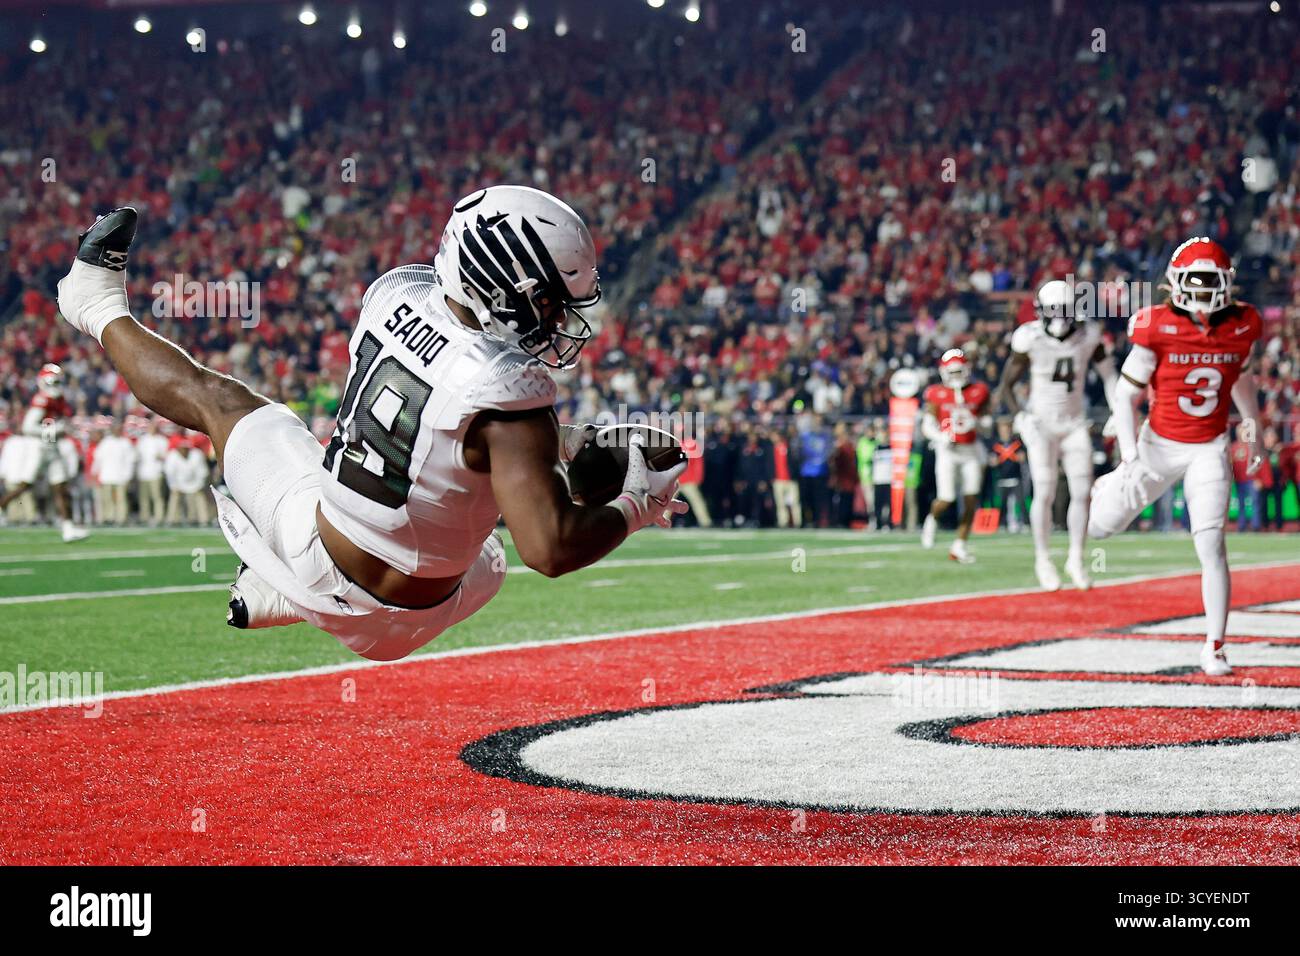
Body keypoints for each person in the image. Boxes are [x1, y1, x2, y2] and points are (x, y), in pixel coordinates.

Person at [54, 190, 686, 662]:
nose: (556, 319)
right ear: (501, 283)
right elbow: (546, 550)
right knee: (493, 540)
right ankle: (290, 597)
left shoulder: (393, 293)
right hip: (432, 606)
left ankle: (95, 305)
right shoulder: (511, 395)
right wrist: (638, 504)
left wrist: (572, 452)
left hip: (321, 547)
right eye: (548, 300)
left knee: (220, 402)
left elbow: (466, 415)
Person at [1089, 237, 1263, 676]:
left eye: (1211, 282)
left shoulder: (1242, 324)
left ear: (1227, 283)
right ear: (1175, 283)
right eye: (1196, 281)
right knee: (1101, 530)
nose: (1203, 291)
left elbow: (1240, 378)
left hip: (1208, 446)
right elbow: (1125, 395)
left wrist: (1253, 427)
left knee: (1211, 542)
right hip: (1157, 446)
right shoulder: (1156, 324)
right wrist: (1128, 455)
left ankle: (1215, 646)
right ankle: (1104, 485)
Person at [995, 279, 1117, 590]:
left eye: (1066, 311)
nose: (1061, 318)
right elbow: (1006, 385)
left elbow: (1109, 376)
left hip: (1074, 422)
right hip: (1042, 423)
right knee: (1045, 489)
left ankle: (1076, 558)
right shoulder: (1030, 338)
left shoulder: (1089, 335)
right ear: (1041, 313)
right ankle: (1043, 558)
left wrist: (1118, 410)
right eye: (1055, 311)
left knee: (1081, 491)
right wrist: (1020, 415)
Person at [0, 365, 89, 541]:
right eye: (54, 381)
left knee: (61, 488)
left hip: (52, 447)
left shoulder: (58, 399)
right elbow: (28, 427)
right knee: (26, 485)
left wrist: (64, 430)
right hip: (38, 446)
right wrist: (55, 430)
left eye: (58, 381)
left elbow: (56, 424)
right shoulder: (42, 399)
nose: (57, 384)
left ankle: (68, 529)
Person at [920, 348, 989, 563]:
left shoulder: (979, 390)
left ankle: (959, 545)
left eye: (960, 372)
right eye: (953, 372)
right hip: (947, 450)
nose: (957, 377)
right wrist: (940, 437)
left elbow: (988, 425)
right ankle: (931, 520)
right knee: (947, 497)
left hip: (970, 449)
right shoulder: (936, 393)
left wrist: (977, 423)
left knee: (970, 498)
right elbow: (927, 425)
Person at [92, 422, 137, 525]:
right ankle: (109, 517)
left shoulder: (126, 443)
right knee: (107, 499)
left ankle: (121, 518)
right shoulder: (106, 442)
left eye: (119, 429)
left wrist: (128, 475)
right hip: (106, 476)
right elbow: (98, 458)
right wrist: (95, 472)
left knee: (121, 499)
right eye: (115, 429)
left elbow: (131, 460)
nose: (117, 431)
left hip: (121, 476)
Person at [136, 421, 170, 525]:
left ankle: (159, 517)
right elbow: (138, 455)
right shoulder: (142, 440)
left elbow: (166, 455)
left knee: (157, 496)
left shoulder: (162, 440)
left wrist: (161, 457)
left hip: (156, 472)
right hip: (144, 472)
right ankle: (144, 517)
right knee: (144, 497)